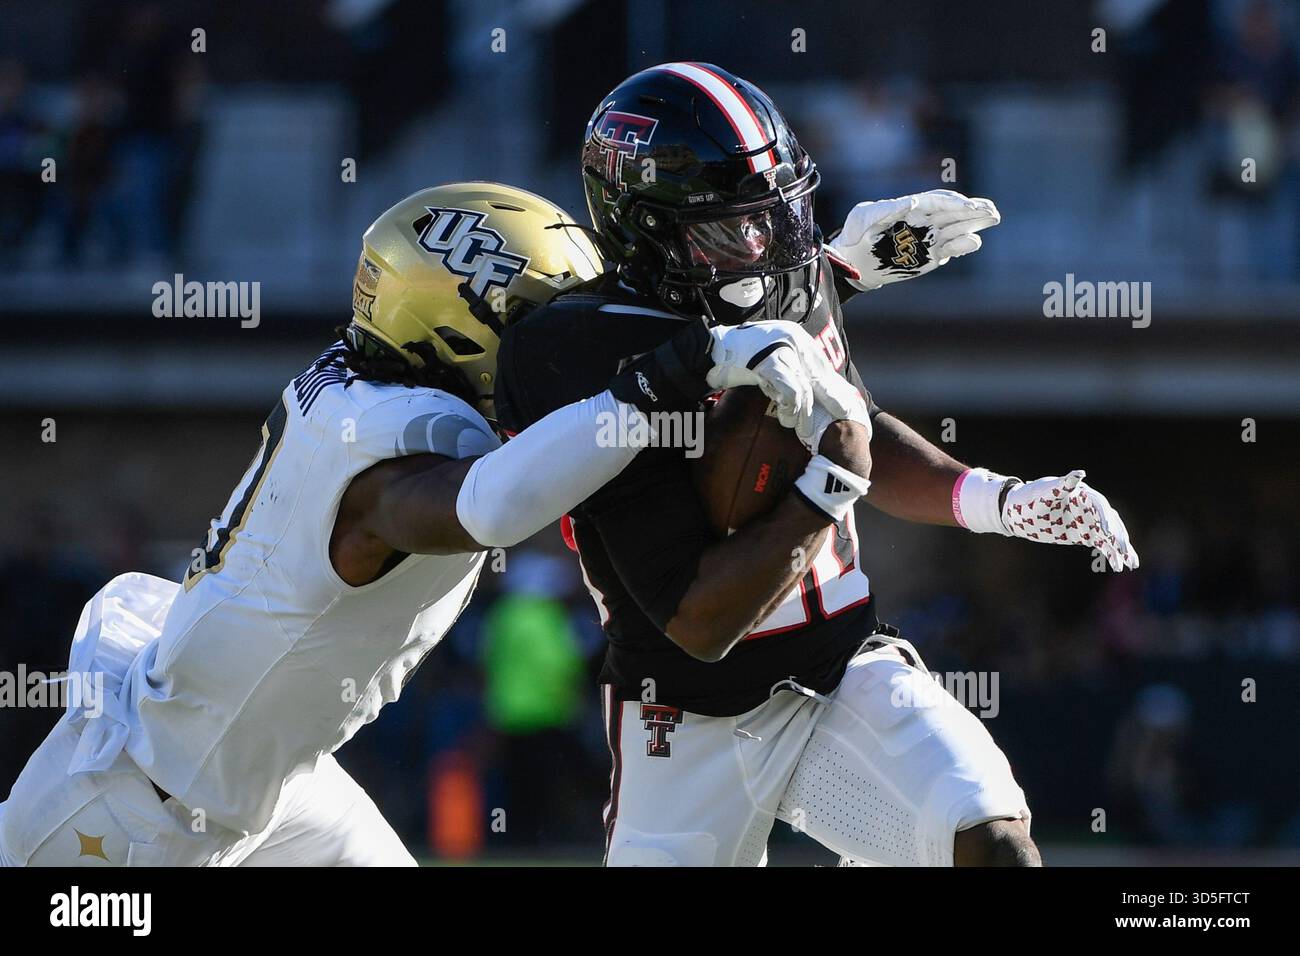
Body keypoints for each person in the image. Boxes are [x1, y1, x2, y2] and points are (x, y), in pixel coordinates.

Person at [0, 181, 846, 867]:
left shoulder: (375, 378)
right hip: (132, 815)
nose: (574, 351)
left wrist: (831, 273)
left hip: (266, 785)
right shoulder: (397, 450)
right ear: (462, 326)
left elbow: (593, 402)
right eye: (547, 328)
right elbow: (490, 504)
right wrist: (668, 377)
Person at [496, 63, 1139, 867]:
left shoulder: (787, 280)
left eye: (773, 217)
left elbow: (859, 425)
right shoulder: (576, 352)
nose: (764, 247)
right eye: (732, 227)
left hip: (839, 666)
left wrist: (1000, 501)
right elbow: (700, 623)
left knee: (994, 842)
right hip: (684, 714)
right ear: (645, 229)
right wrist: (830, 484)